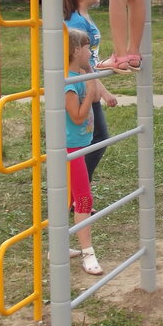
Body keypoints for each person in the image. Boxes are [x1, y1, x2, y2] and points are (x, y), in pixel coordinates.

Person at [64, 0, 119, 183]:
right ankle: (78, 187)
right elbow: (78, 62)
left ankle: (79, 187)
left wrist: (104, 67)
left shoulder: (84, 16)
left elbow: (90, 58)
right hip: (82, 85)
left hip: (89, 80)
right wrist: (102, 91)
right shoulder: (75, 22)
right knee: (96, 139)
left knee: (95, 139)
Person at [65, 28, 104, 275]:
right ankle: (88, 254)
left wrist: (89, 71)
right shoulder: (68, 83)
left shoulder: (80, 74)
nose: (91, 52)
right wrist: (88, 93)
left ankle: (57, 246)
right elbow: (77, 117)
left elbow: (97, 95)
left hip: (81, 144)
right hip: (70, 147)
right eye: (87, 48)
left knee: (67, 197)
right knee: (83, 199)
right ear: (75, 50)